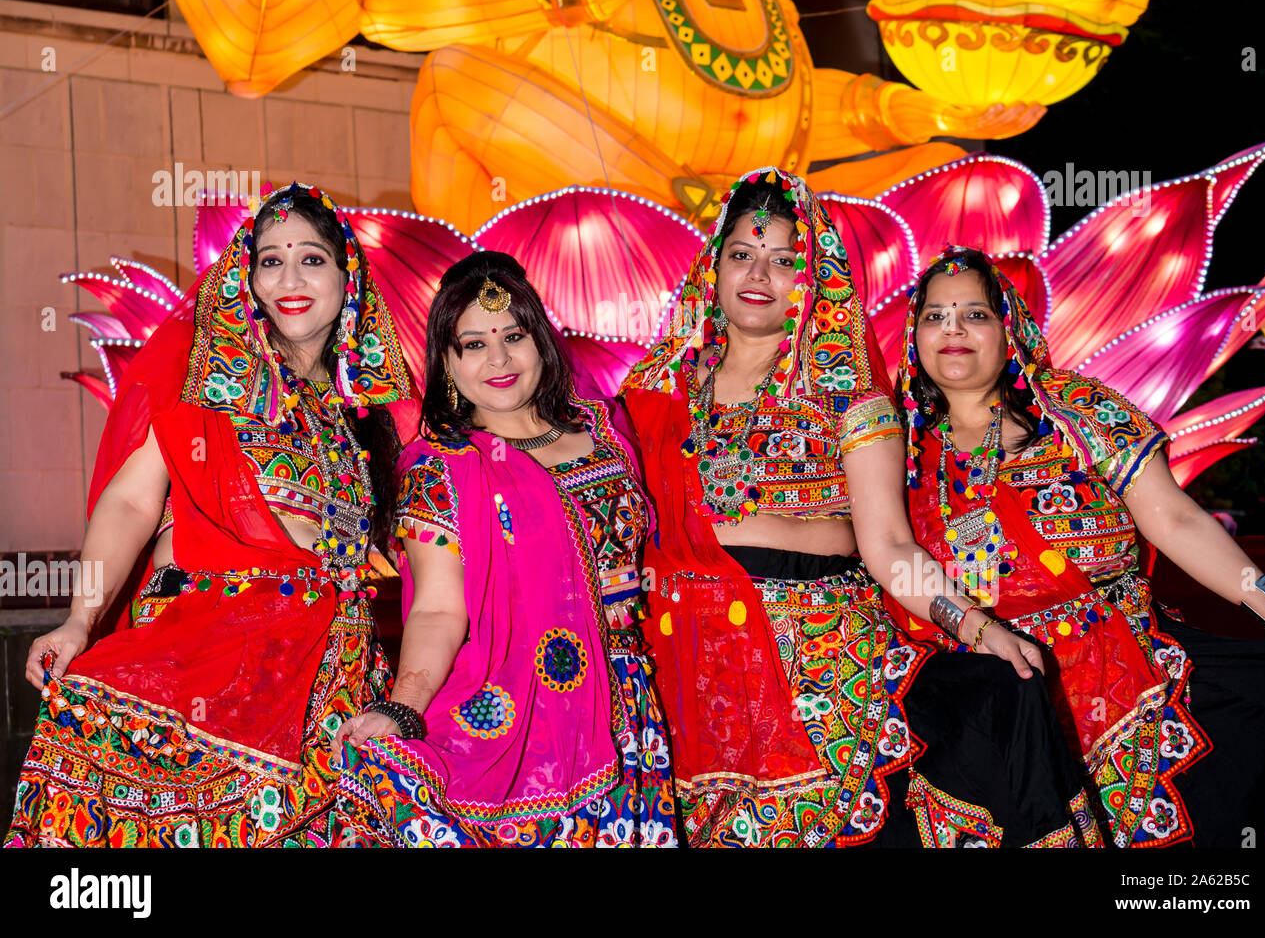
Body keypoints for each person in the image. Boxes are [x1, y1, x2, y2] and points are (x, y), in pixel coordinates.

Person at [618, 167, 1098, 847]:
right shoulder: (651, 391)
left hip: (817, 673)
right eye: (743, 254)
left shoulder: (848, 395)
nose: (760, 273)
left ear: (813, 279)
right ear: (713, 267)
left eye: (785, 259)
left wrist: (976, 626)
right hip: (683, 676)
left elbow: (887, 547)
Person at [4, 184, 411, 848]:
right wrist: (79, 618)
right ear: (245, 280)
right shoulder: (205, 383)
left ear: (349, 278)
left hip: (333, 693)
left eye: (312, 259)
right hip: (214, 669)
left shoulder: (366, 424)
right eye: (270, 260)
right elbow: (133, 500)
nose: (291, 278)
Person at [895, 244, 1265, 847]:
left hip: (1136, 667)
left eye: (975, 314)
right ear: (913, 334)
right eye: (935, 315)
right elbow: (886, 561)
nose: (953, 330)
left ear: (1011, 329)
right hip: (994, 687)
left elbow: (1175, 520)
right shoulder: (894, 448)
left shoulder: (1077, 411)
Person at [328, 252, 678, 847]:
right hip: (521, 710)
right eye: (472, 344)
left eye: (513, 336)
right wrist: (404, 708)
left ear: (541, 340)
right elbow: (437, 609)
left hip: (630, 707)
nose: (498, 359)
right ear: (446, 363)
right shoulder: (441, 470)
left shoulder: (607, 436)